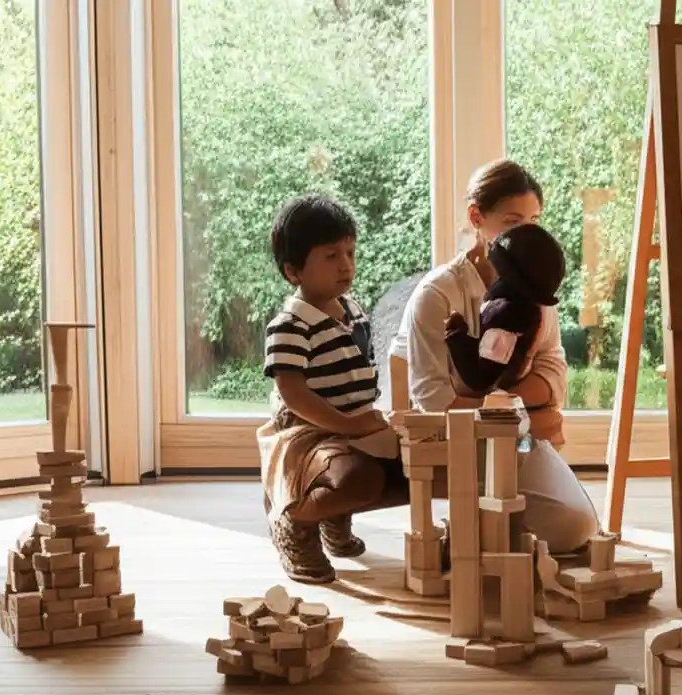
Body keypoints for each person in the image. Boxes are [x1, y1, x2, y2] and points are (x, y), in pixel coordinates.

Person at [388, 159, 600, 553]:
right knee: (550, 527)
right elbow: (435, 400)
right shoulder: (436, 294)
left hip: (514, 432)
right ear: (477, 218)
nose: (526, 233)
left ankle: (480, 533)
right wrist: (528, 416)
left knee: (579, 525)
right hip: (459, 440)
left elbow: (553, 372)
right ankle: (475, 532)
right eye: (513, 221)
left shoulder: (534, 288)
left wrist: (514, 409)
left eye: (533, 221)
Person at [257, 195, 407, 584]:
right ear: (293, 271)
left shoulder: (352, 309)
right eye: (331, 256)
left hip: (352, 426)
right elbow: (294, 395)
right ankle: (295, 519)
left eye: (350, 252)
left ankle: (334, 513)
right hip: (311, 432)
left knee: (413, 470)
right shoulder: (289, 325)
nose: (346, 265)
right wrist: (348, 425)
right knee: (361, 480)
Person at [444, 223, 567, 394]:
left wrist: (456, 335)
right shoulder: (512, 307)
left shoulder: (508, 315)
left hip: (498, 402)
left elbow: (481, 377)